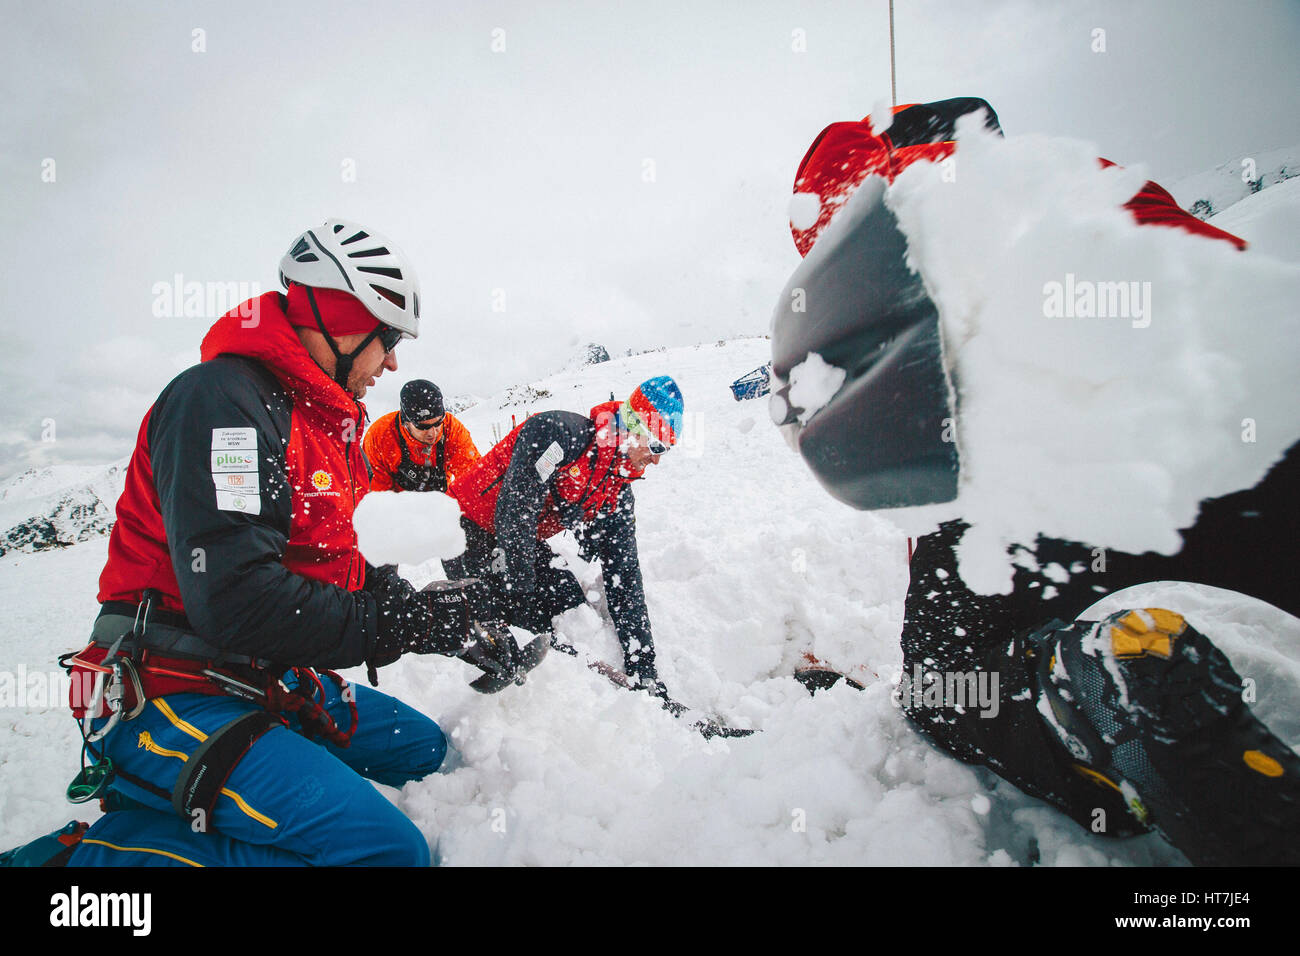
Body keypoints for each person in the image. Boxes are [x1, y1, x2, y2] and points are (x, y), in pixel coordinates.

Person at [778, 98, 1299, 865]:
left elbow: (937, 459)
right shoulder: (1085, 176)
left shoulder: (897, 216)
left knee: (946, 686)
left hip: (1049, 478)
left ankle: (1088, 699)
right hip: (1257, 433)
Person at [56, 219, 516, 867]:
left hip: (263, 672)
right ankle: (92, 859)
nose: (392, 363)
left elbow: (339, 565)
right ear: (344, 324)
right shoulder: (224, 405)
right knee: (384, 852)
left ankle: (216, 804)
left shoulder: (326, 425)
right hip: (168, 687)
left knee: (422, 752)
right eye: (387, 341)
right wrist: (400, 622)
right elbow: (239, 598)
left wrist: (445, 618)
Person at [448, 378, 683, 690]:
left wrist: (644, 667)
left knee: (568, 600)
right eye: (656, 446)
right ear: (631, 426)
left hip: (521, 537)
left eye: (665, 450)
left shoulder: (616, 490)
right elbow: (514, 514)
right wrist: (521, 599)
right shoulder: (558, 434)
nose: (656, 459)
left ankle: (617, 686)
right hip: (464, 526)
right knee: (516, 617)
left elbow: (624, 576)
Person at [362, 379, 481, 493]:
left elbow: (474, 479)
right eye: (423, 427)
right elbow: (379, 497)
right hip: (397, 505)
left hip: (442, 503)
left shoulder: (452, 429)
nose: (432, 433)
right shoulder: (379, 436)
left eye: (438, 423)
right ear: (405, 423)